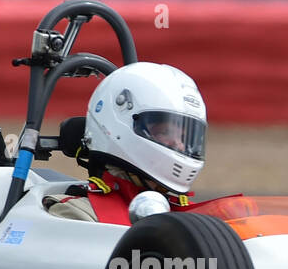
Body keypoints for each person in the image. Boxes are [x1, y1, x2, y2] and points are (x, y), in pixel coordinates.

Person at [44, 63, 207, 223]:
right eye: (164, 132)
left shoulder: (196, 219)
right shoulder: (77, 215)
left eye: (185, 137)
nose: (180, 145)